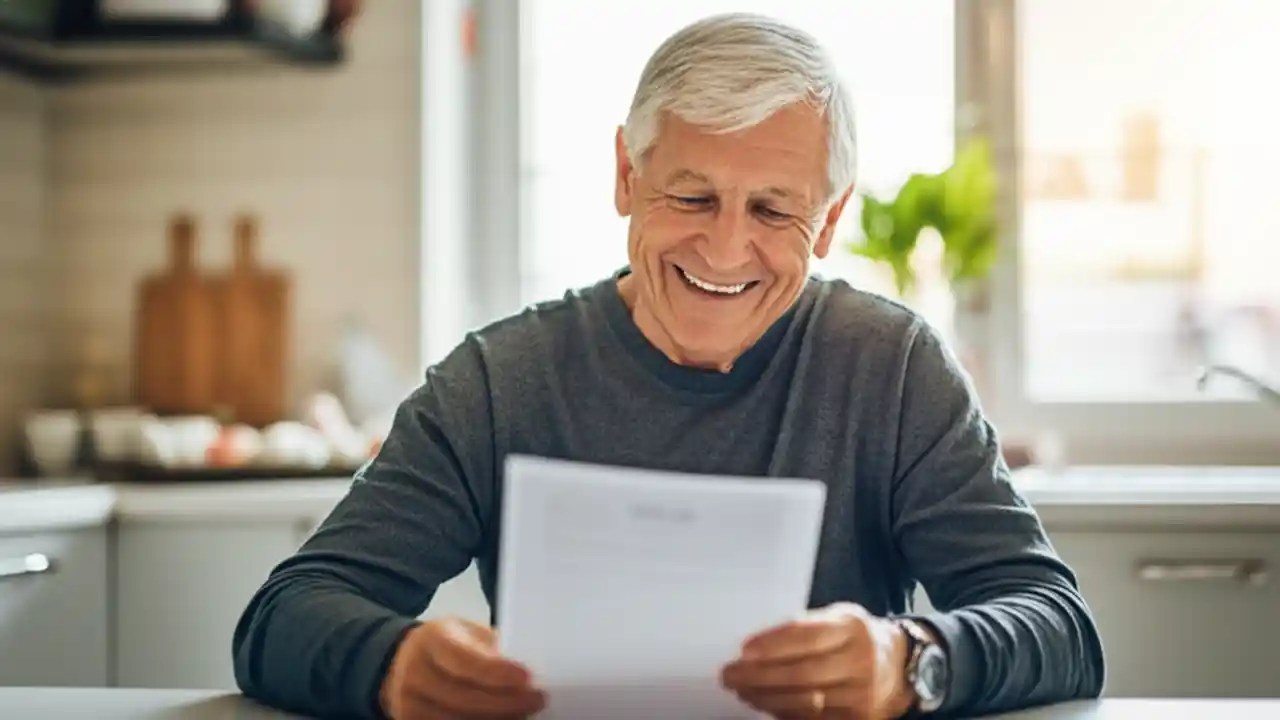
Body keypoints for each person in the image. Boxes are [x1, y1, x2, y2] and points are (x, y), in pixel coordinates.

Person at [233, 13, 1105, 719]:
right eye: (690, 196)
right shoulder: (503, 379)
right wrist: (392, 664)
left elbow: (1061, 626)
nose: (726, 247)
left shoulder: (893, 368)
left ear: (830, 221)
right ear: (625, 173)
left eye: (773, 209)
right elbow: (285, 616)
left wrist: (912, 660)